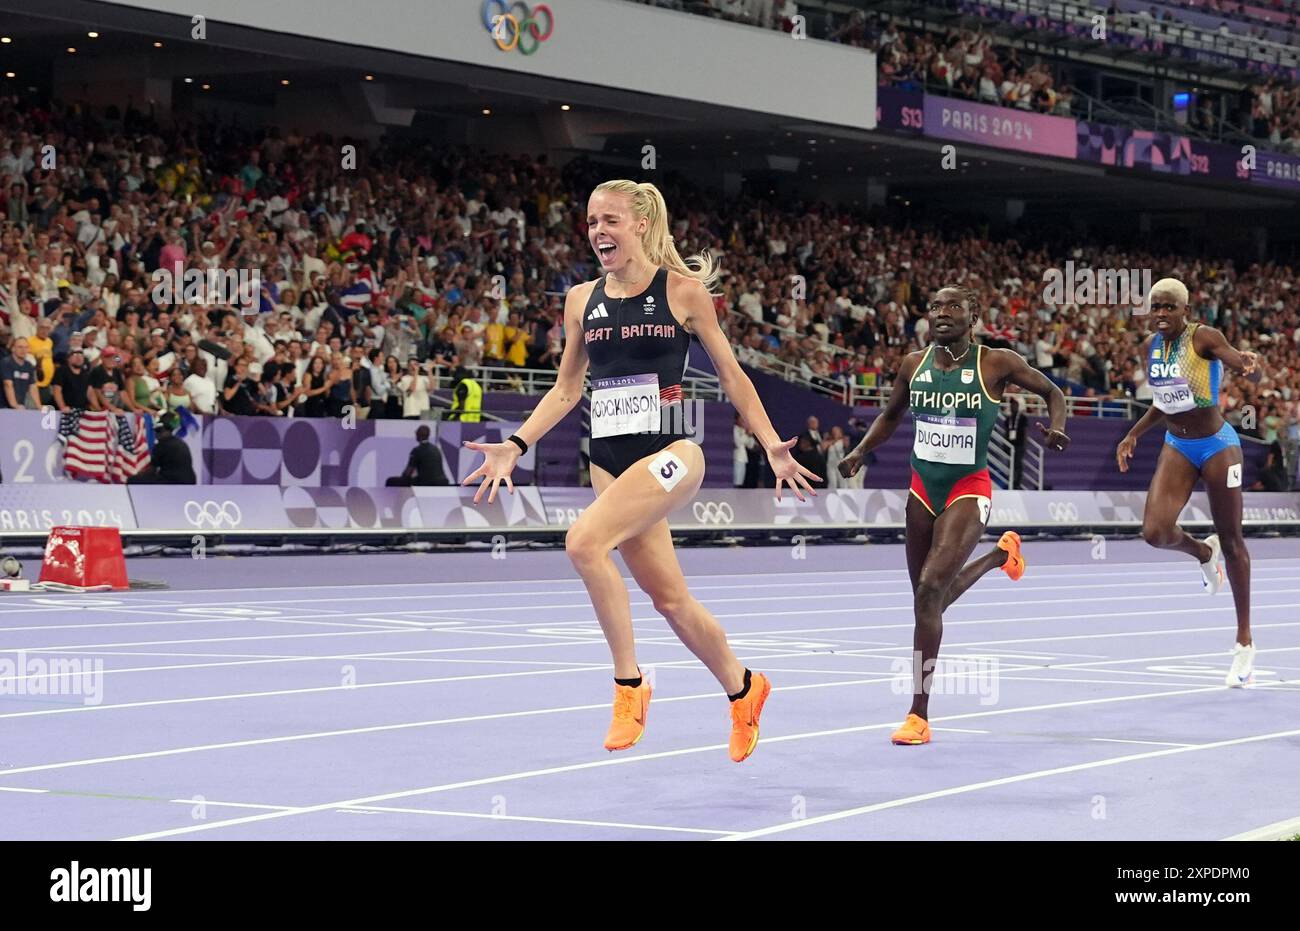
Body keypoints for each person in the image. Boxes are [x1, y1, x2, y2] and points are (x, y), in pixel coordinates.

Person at [463, 179, 819, 763]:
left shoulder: (682, 292)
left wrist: (772, 445)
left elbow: (732, 375)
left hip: (674, 454)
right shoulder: (581, 298)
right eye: (591, 221)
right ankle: (744, 686)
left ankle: (629, 686)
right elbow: (565, 389)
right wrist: (515, 444)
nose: (599, 231)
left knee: (582, 543)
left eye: (611, 221)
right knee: (670, 600)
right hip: (608, 461)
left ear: (642, 225)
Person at [839, 286, 1070, 746]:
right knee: (928, 602)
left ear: (973, 315)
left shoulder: (996, 363)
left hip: (969, 488)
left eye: (953, 307)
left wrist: (1058, 426)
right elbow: (890, 416)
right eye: (935, 307)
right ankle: (998, 558)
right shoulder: (912, 364)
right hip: (922, 490)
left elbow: (1052, 390)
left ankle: (918, 715)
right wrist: (861, 452)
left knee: (929, 593)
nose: (942, 314)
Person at [1116, 277, 1259, 687]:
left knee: (1232, 540)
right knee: (1155, 531)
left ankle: (1244, 643)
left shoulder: (1204, 337)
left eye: (1168, 308)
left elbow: (1232, 357)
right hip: (1177, 444)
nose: (1160, 314)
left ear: (1185, 310)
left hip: (1217, 446)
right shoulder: (1153, 347)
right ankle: (1201, 553)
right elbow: (1164, 402)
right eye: (1155, 307)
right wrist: (1133, 434)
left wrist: (1243, 362)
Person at [127, 412, 196, 484]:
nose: (156, 435)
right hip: (190, 480)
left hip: (172, 481)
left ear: (163, 430)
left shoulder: (161, 445)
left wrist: (139, 475)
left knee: (133, 480)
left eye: (158, 431)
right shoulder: (182, 443)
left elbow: (152, 470)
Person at [0, 337, 40, 410]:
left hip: (19, 407)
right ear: (13, 348)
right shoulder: (6, 363)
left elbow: (33, 387)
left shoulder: (29, 366)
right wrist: (14, 405)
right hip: (3, 407)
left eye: (26, 347)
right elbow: (8, 385)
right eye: (20, 347)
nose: (23, 350)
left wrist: (39, 407)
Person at [1007, 395, 1029, 488]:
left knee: (1018, 465)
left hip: (1019, 445)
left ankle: (1017, 484)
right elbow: (1006, 431)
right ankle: (1011, 482)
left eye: (1015, 405)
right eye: (1011, 405)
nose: (1013, 407)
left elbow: (1025, 432)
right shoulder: (1009, 418)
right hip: (1010, 445)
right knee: (1010, 465)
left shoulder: (1022, 418)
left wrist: (1024, 444)